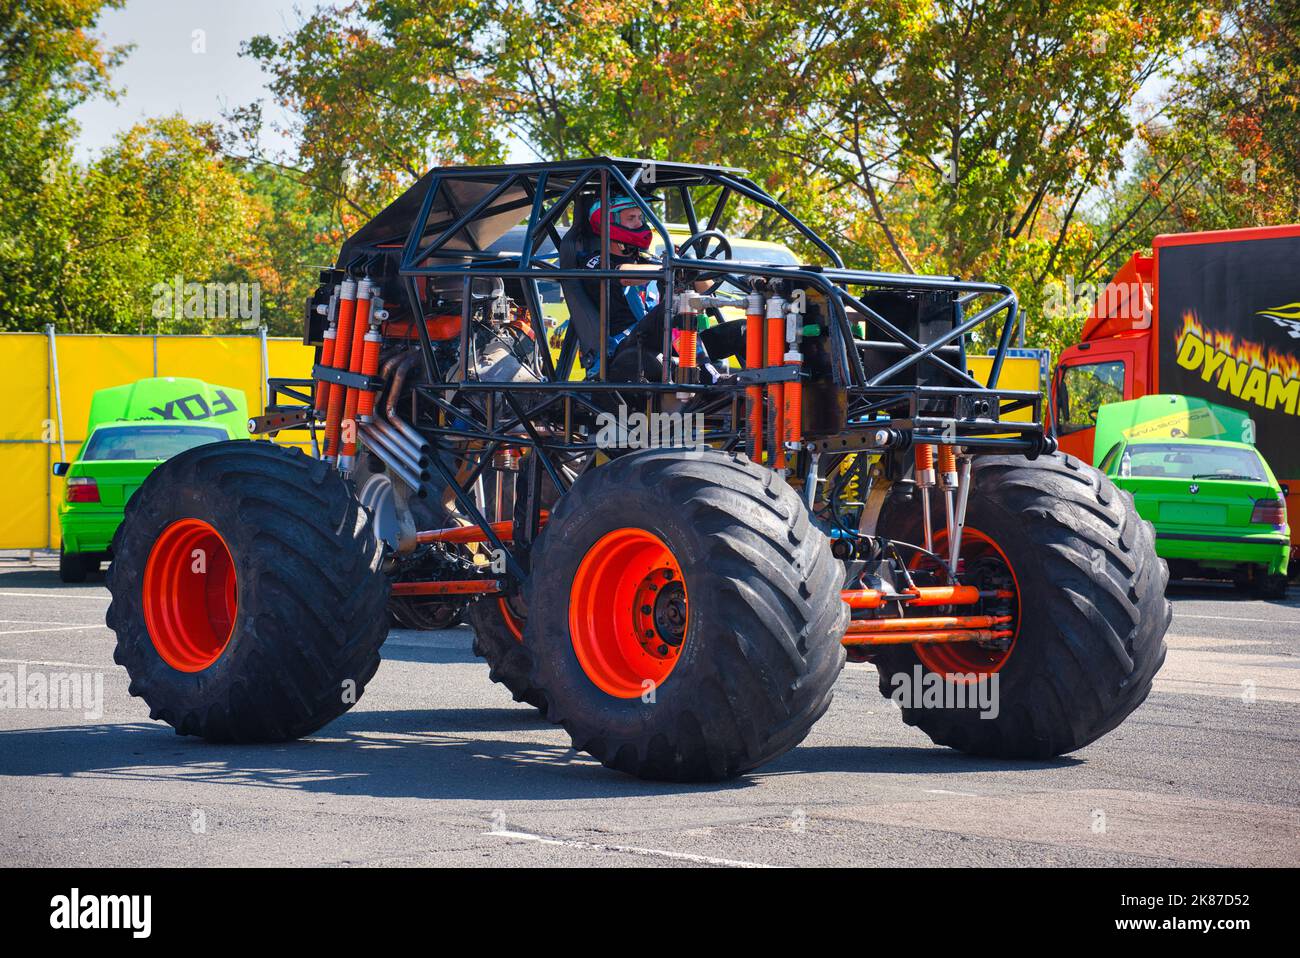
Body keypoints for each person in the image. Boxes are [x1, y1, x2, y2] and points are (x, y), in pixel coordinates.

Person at [579, 195, 743, 382]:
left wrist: (692, 266)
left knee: (741, 331)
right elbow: (624, 276)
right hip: (626, 351)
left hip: (667, 341)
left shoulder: (647, 260)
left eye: (640, 218)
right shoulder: (594, 261)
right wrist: (671, 267)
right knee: (675, 307)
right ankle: (707, 374)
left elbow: (708, 292)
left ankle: (767, 382)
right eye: (631, 218)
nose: (639, 223)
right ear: (608, 224)